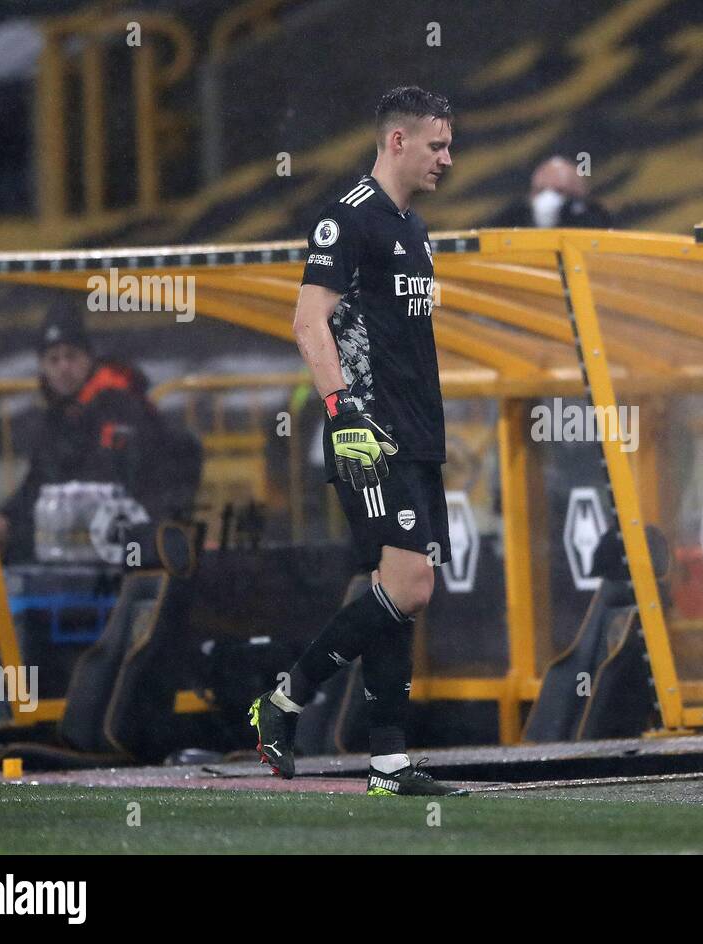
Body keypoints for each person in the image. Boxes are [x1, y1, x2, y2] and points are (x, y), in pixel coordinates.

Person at [247, 86, 464, 797]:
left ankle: (389, 763)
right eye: (436, 145)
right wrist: (343, 415)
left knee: (397, 592)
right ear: (396, 142)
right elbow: (309, 324)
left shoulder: (414, 227)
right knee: (411, 583)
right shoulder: (346, 222)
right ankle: (282, 699)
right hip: (370, 433)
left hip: (418, 434)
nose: (447, 158)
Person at [0, 301, 199, 676]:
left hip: (103, 538)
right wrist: (2, 520)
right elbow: (35, 488)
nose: (63, 366)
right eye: (53, 358)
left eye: (71, 356)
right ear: (43, 366)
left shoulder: (120, 408)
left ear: (88, 359)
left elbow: (130, 483)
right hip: (54, 535)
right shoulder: (57, 418)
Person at [488, 155, 613, 228]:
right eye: (540, 190)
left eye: (559, 190)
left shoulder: (598, 220)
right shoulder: (512, 219)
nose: (548, 197)